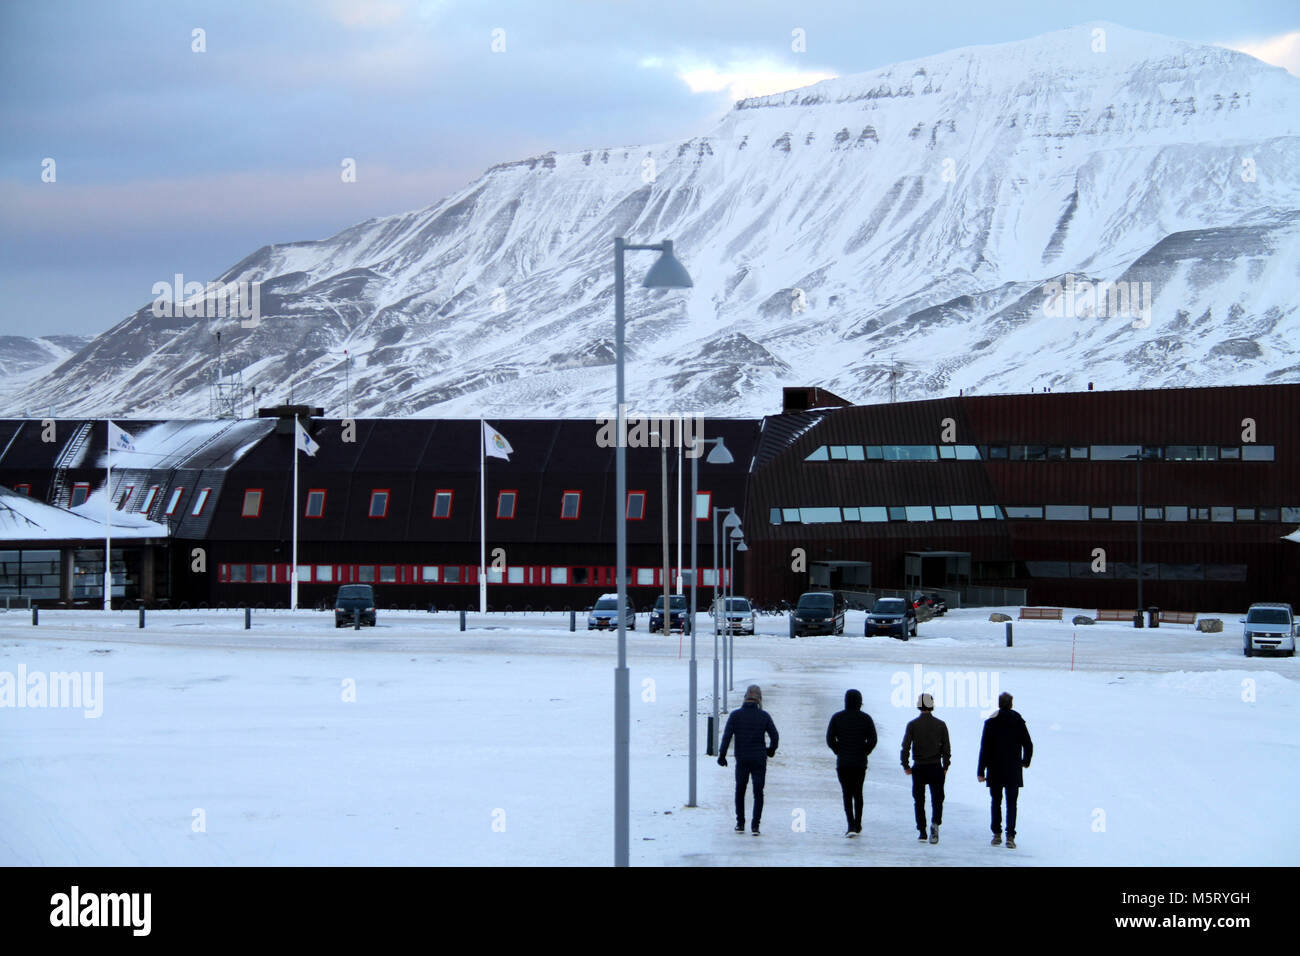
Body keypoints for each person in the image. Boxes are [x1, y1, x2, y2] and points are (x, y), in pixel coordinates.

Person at [717, 684, 779, 835]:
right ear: (759, 699)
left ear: (745, 697)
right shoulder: (764, 716)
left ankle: (740, 823)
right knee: (758, 792)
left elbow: (727, 737)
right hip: (759, 758)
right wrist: (770, 751)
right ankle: (755, 826)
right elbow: (775, 736)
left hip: (742, 758)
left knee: (740, 790)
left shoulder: (735, 715)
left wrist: (722, 755)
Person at [977, 691, 1034, 849]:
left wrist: (981, 771)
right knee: (1012, 803)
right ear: (1011, 703)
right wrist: (1025, 762)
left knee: (996, 801)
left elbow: (985, 749)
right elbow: (1028, 744)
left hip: (995, 769)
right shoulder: (1018, 721)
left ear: (999, 703)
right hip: (1013, 770)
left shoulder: (990, 723)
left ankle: (996, 834)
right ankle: (1010, 835)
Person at [826, 689, 878, 837]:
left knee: (847, 793)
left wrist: (839, 751)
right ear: (860, 702)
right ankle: (858, 823)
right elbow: (873, 740)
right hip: (859, 763)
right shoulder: (866, 719)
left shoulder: (837, 718)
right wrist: (864, 751)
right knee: (858, 793)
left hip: (843, 763)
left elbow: (830, 739)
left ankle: (851, 824)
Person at [900, 692, 950, 844]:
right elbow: (946, 748)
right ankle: (935, 824)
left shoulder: (913, 725)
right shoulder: (941, 725)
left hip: (919, 768)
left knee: (919, 800)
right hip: (935, 766)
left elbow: (906, 746)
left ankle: (922, 830)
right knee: (937, 799)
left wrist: (906, 765)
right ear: (932, 705)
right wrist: (945, 765)